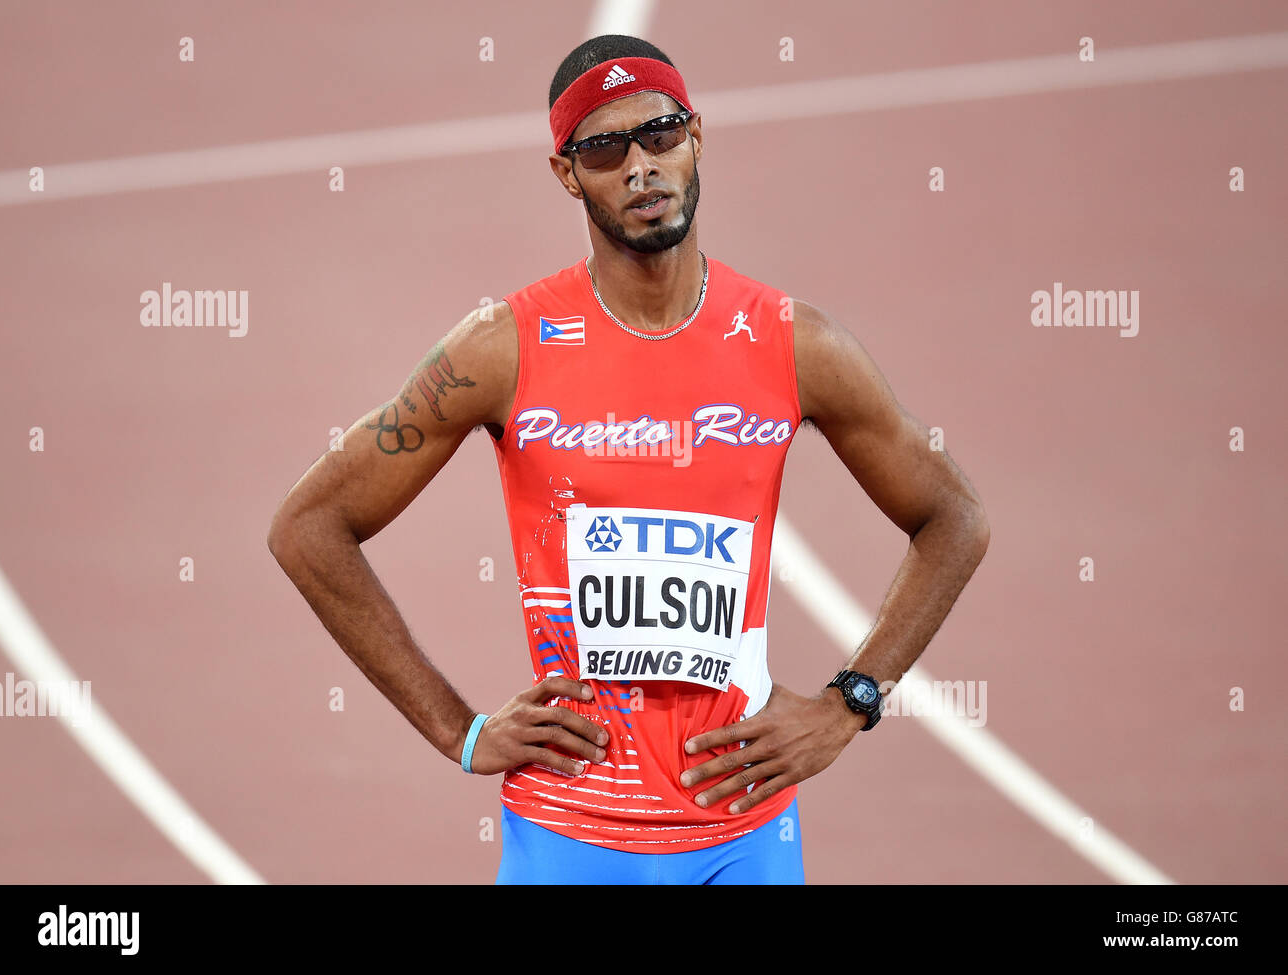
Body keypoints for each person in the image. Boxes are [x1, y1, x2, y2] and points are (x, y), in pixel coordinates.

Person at [267, 34, 990, 885]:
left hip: (746, 834)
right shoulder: (504, 348)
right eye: (606, 149)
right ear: (567, 174)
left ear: (696, 140)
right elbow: (309, 527)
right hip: (569, 834)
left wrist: (850, 702)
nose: (641, 167)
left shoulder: (796, 344)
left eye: (660, 134)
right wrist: (458, 730)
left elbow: (955, 517)